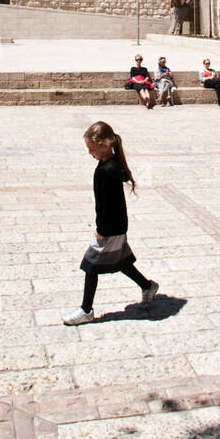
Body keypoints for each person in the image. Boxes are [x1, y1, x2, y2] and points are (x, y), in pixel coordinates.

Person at [63, 121, 159, 325]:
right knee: (122, 262)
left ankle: (86, 310)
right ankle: (147, 286)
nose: (90, 152)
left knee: (90, 266)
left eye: (92, 149)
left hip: (111, 228)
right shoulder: (112, 163)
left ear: (105, 145)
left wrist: (101, 230)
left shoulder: (107, 170)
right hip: (117, 226)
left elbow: (109, 204)